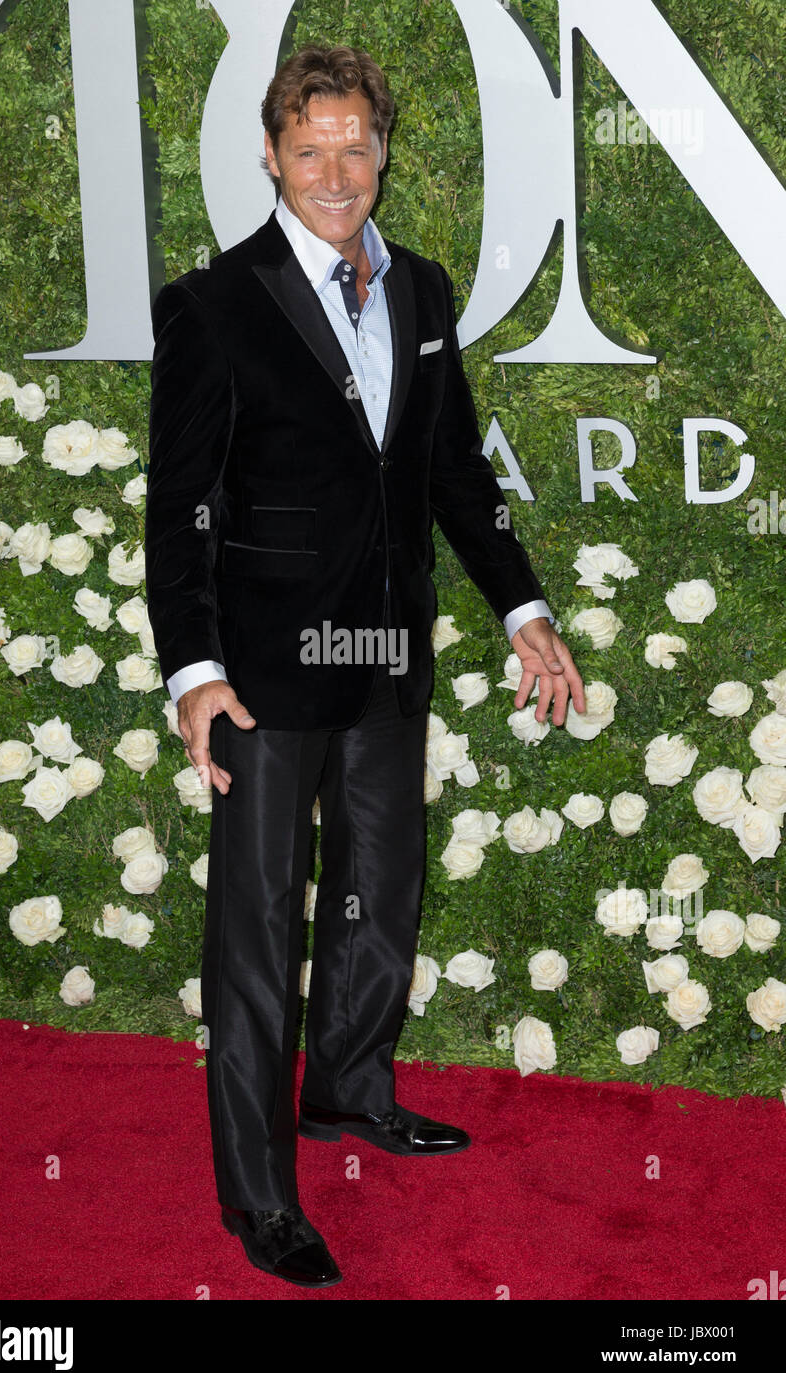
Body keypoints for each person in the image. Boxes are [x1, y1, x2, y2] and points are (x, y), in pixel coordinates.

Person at [146, 43, 586, 1291]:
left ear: (380, 151)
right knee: (254, 935)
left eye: (356, 145)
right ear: (274, 159)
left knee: (378, 898)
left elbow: (453, 472)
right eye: (310, 149)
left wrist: (524, 609)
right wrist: (193, 671)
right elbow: (176, 507)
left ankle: (347, 1089)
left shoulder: (425, 291)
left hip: (387, 657)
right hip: (265, 678)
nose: (336, 170)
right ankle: (260, 1198)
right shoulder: (214, 306)